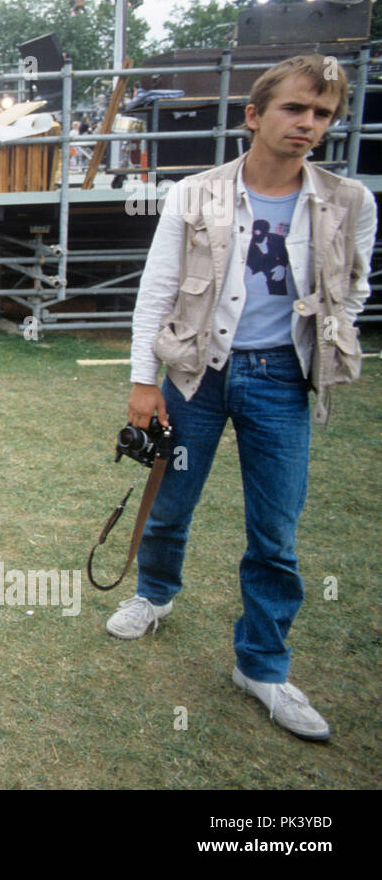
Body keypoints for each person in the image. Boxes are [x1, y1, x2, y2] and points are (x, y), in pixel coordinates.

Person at [110, 54, 377, 741]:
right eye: (295, 108)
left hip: (283, 379)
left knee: (276, 532)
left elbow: (353, 286)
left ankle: (261, 663)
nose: (308, 124)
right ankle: (155, 593)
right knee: (170, 504)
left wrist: (325, 333)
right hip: (199, 374)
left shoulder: (350, 201)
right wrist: (145, 383)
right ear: (255, 115)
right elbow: (157, 291)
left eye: (322, 113)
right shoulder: (194, 193)